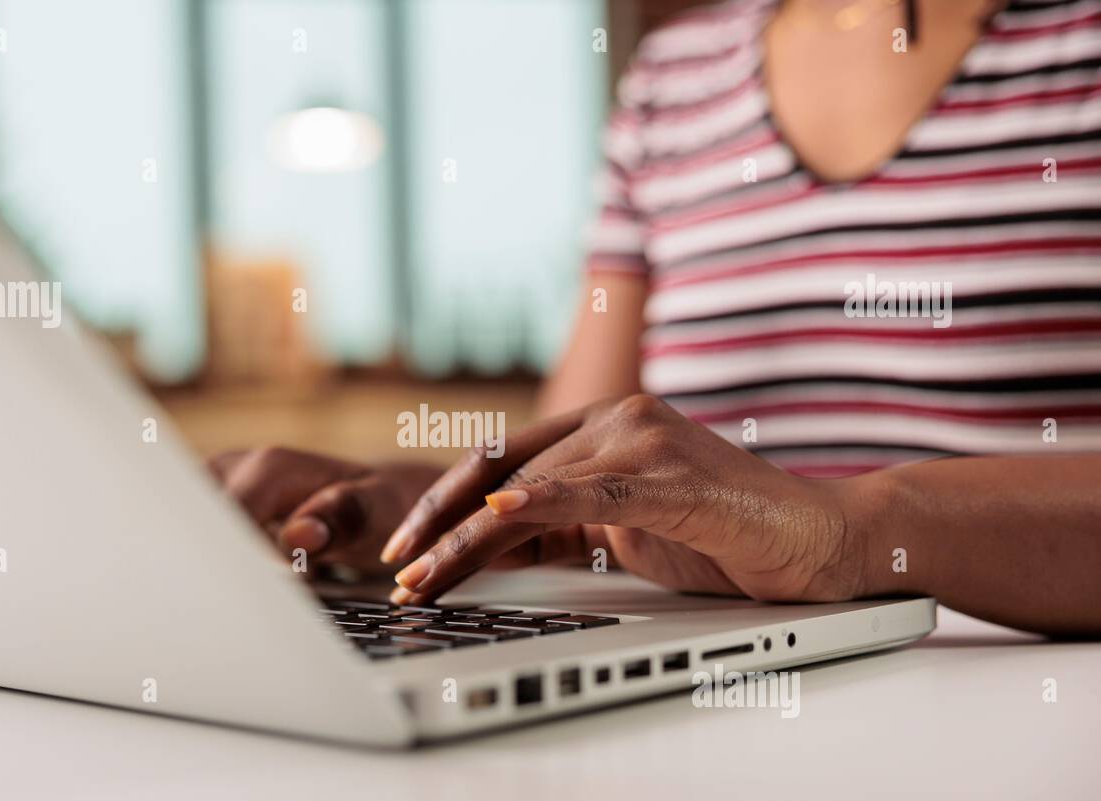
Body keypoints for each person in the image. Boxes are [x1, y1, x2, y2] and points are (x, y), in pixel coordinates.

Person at [211, 0, 1101, 634]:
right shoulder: (673, 80)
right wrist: (442, 513)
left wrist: (840, 534)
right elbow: (577, 473)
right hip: (737, 683)